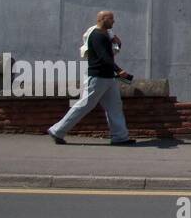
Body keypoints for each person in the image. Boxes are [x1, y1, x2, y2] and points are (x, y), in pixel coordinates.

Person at [48, 10, 135, 146]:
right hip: (97, 76)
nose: (114, 21)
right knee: (84, 105)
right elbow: (103, 57)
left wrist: (118, 43)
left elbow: (111, 53)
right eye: (111, 18)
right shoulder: (97, 36)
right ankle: (57, 130)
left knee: (115, 107)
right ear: (102, 19)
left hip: (108, 77)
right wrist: (119, 70)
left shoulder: (106, 35)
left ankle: (120, 137)